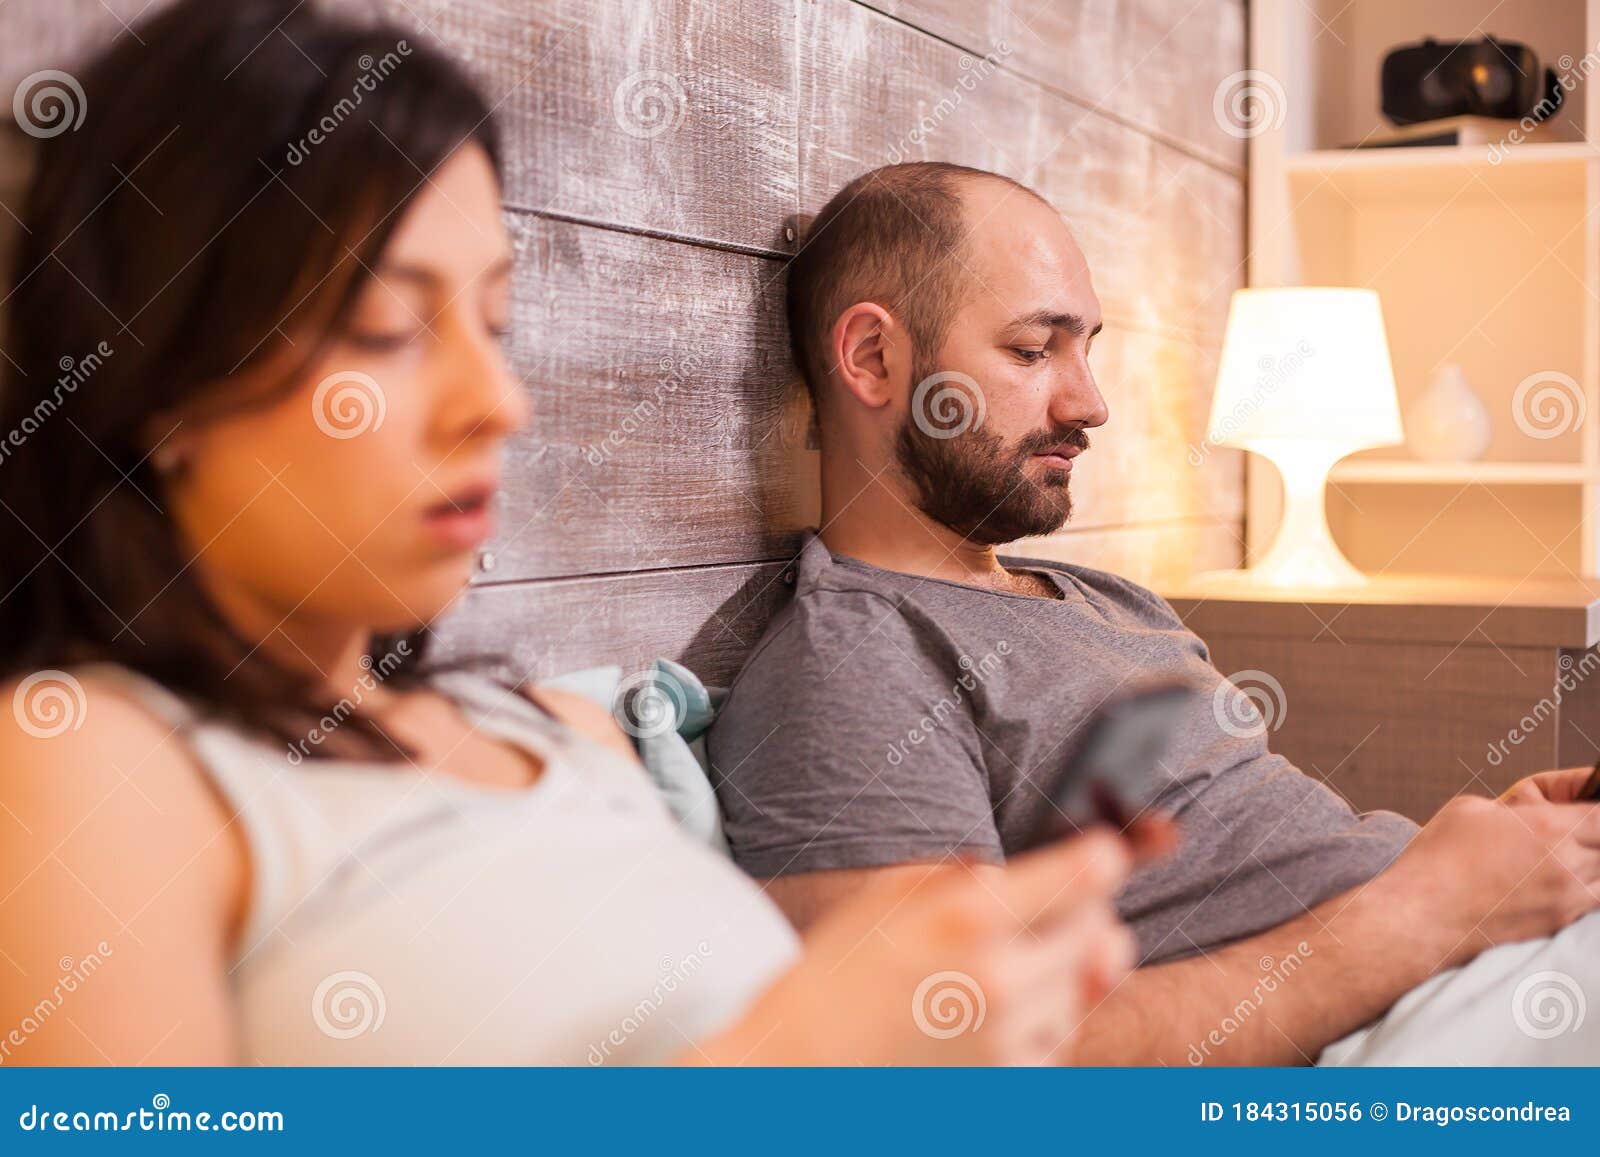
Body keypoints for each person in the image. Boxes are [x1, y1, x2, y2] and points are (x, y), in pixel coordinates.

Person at [0, 1, 1136, 1066]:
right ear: (161, 380)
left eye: (493, 320)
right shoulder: (90, 762)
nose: (496, 402)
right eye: (391, 327)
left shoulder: (564, 733)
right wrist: (786, 1064)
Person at [707, 160, 1600, 1065]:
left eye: (1086, 347)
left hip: (1483, 961)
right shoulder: (852, 661)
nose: (1089, 403)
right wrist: (1426, 911)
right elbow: (933, 1075)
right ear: (871, 358)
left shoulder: (1106, 597)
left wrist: (1501, 857)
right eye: (1031, 350)